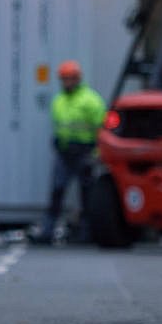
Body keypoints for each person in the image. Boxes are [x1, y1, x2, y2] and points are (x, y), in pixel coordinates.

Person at [32, 59, 106, 244]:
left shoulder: (91, 101)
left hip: (85, 154)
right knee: (56, 193)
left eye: (71, 78)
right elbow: (60, 126)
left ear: (78, 79)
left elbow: (102, 130)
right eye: (64, 79)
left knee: (87, 195)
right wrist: (57, 141)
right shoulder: (59, 101)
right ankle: (48, 232)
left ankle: (87, 233)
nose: (67, 82)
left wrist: (95, 155)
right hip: (65, 154)